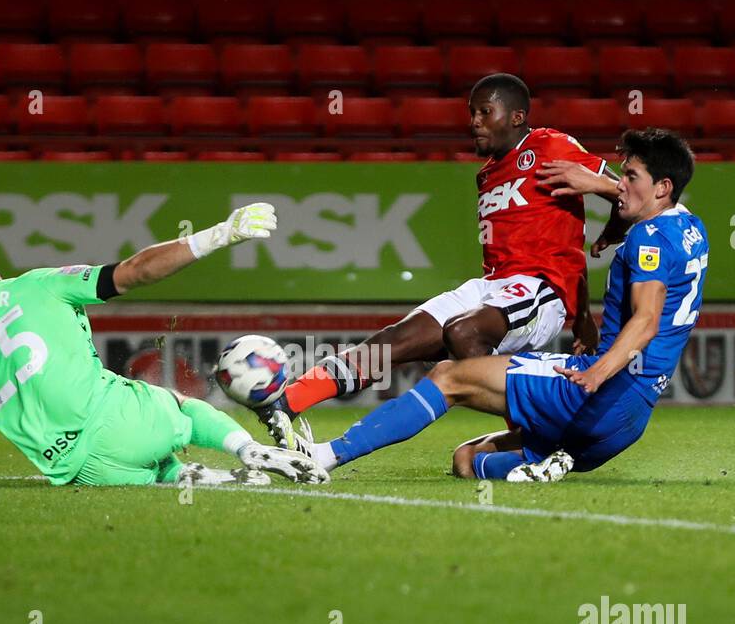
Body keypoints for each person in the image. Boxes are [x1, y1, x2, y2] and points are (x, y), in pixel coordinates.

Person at [296, 128, 708, 484]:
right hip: (627, 422)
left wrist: (596, 373)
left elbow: (647, 320)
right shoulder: (691, 228)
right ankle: (544, 465)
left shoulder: (647, 237)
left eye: (631, 177)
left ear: (662, 187)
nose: (620, 184)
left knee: (447, 376)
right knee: (466, 461)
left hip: (600, 393)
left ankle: (325, 455)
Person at [258, 72, 614, 449]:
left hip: (541, 291)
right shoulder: (489, 174)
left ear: (516, 117)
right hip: (493, 286)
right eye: (471, 113)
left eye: (485, 111)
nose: (474, 122)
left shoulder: (551, 145)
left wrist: (613, 219)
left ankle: (540, 435)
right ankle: (286, 404)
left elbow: (625, 189)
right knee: (392, 341)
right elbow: (565, 237)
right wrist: (585, 320)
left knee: (464, 332)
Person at [0, 204, 329, 487]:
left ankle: (195, 477)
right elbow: (134, 272)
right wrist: (219, 235)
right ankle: (248, 450)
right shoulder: (42, 283)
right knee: (181, 406)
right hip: (128, 421)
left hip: (82, 469)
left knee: (163, 473)